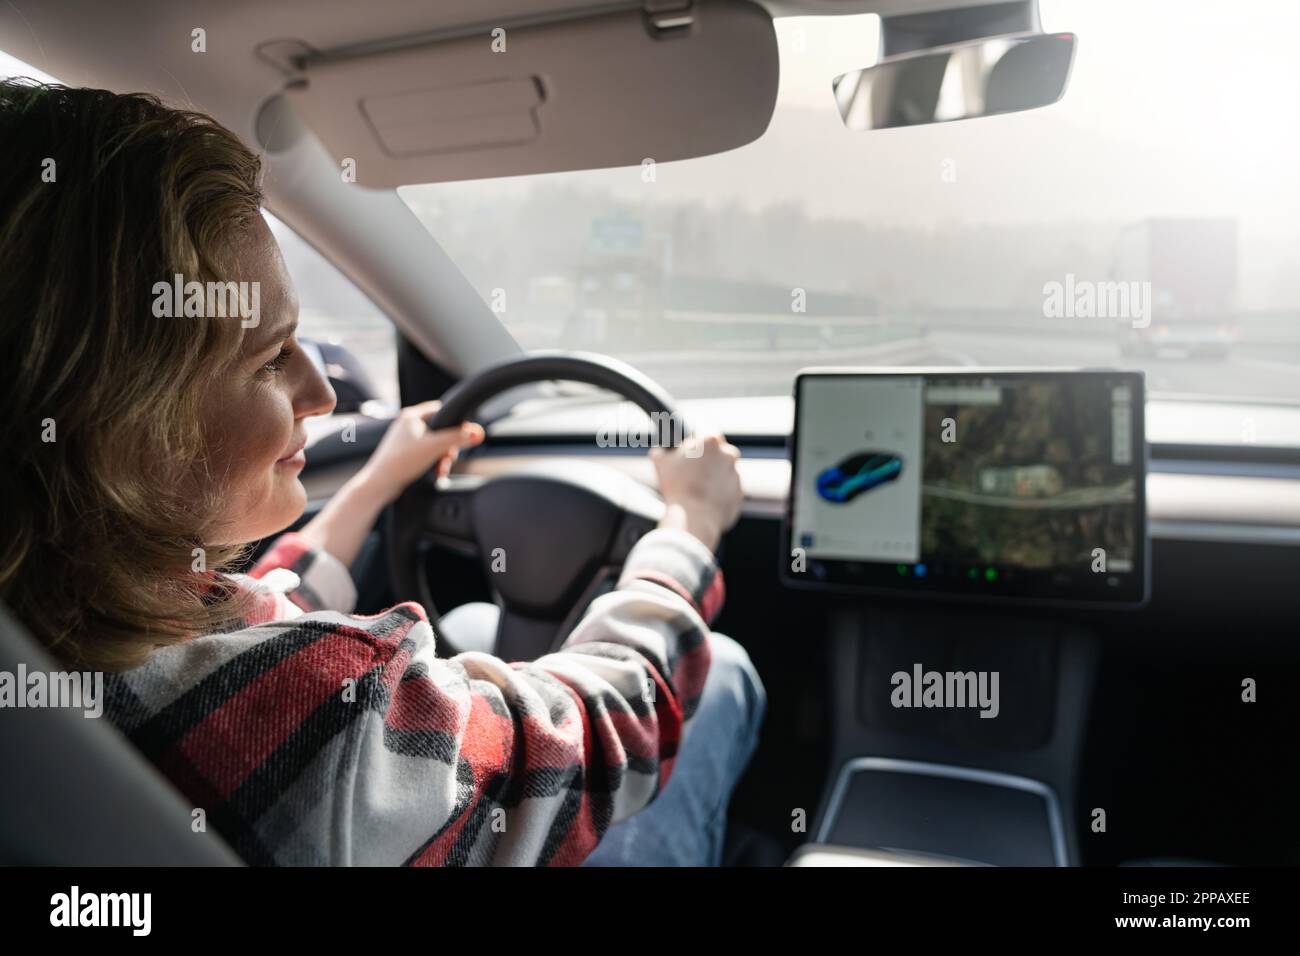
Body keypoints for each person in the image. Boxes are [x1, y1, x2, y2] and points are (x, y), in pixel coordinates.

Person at [0, 81, 765, 866]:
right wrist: (689, 528)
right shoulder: (316, 704)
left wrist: (369, 489)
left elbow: (221, 630)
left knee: (471, 632)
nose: (323, 393)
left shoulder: (50, 631)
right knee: (722, 671)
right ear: (122, 418)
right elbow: (601, 735)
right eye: (270, 359)